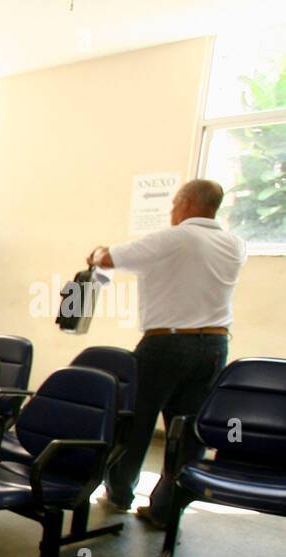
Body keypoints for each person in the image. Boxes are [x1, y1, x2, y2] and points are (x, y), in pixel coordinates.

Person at [87, 178, 247, 528]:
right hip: (214, 346)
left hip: (167, 345)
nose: (172, 211)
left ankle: (119, 493)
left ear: (187, 202)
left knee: (135, 420)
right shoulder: (235, 243)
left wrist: (98, 252)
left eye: (174, 204)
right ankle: (166, 506)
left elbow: (110, 259)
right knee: (187, 429)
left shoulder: (174, 237)